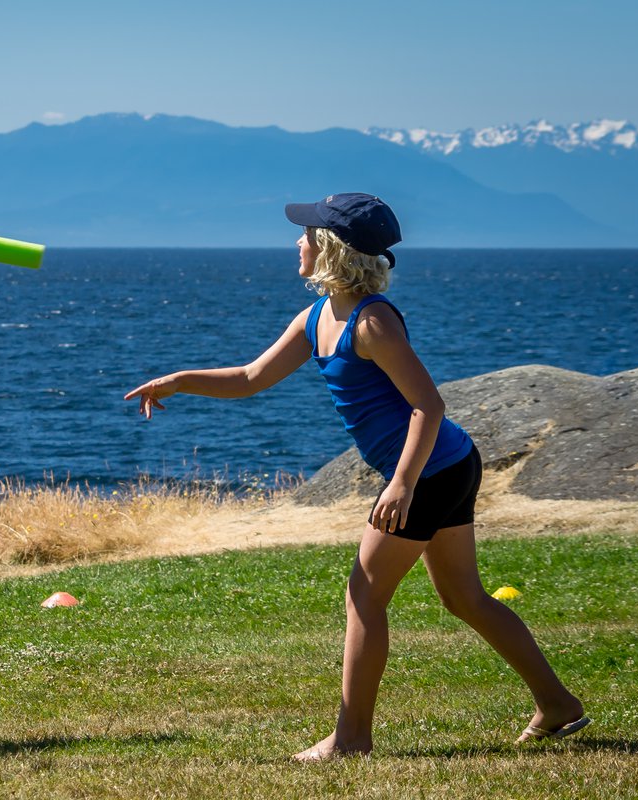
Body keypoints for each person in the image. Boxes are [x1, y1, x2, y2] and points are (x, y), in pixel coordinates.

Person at [124, 193, 589, 760]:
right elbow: (249, 377)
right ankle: (558, 705)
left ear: (332, 248)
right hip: (447, 462)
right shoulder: (317, 316)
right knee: (464, 597)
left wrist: (401, 484)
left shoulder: (371, 323)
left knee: (364, 597)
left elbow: (428, 407)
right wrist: (178, 380)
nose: (298, 241)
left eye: (308, 234)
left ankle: (350, 740)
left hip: (429, 470)